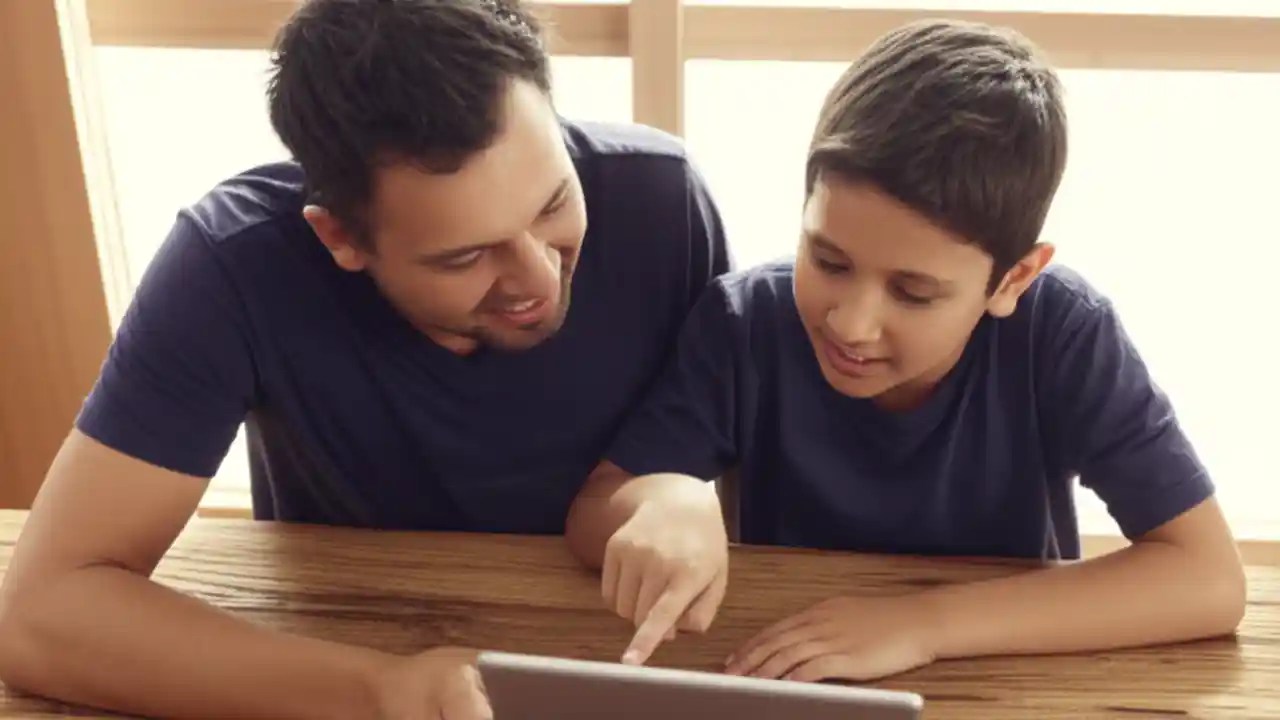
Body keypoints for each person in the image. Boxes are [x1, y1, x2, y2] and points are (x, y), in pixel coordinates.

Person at [0, 0, 729, 717]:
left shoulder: (662, 200)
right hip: (351, 638)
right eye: (466, 255)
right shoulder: (235, 265)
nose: (539, 277)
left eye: (552, 204)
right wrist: (374, 690)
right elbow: (41, 613)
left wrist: (684, 495)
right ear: (339, 238)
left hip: (635, 655)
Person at [566, 18, 1246, 680]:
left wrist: (922, 626)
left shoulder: (1063, 333)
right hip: (787, 674)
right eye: (827, 259)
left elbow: (1207, 578)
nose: (852, 324)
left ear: (1014, 278)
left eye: (914, 294)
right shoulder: (744, 322)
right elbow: (598, 507)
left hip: (1004, 680)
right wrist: (667, 499)